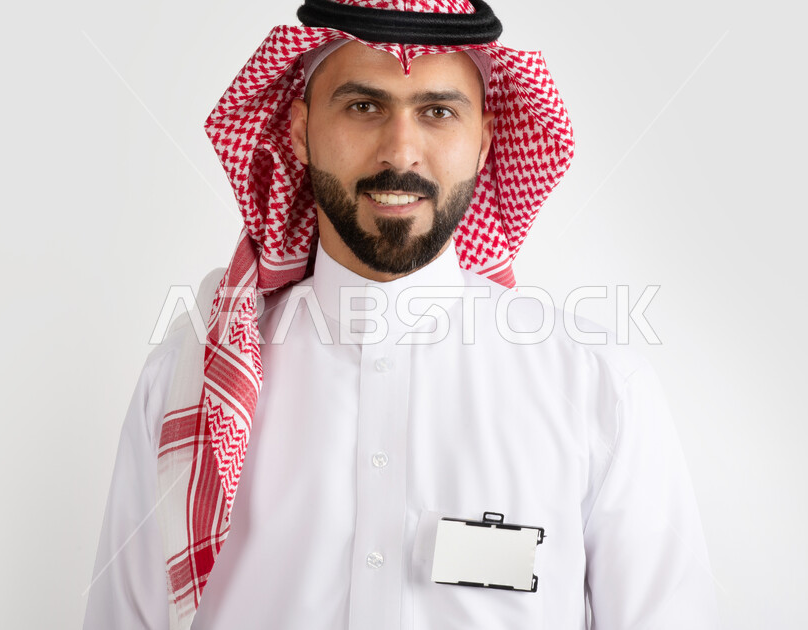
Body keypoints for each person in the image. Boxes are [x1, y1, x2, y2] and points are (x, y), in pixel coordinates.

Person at [83, 1, 720, 628]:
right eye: (364, 106)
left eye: (438, 112)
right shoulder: (189, 385)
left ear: (484, 143)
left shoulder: (595, 388)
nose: (400, 151)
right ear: (299, 133)